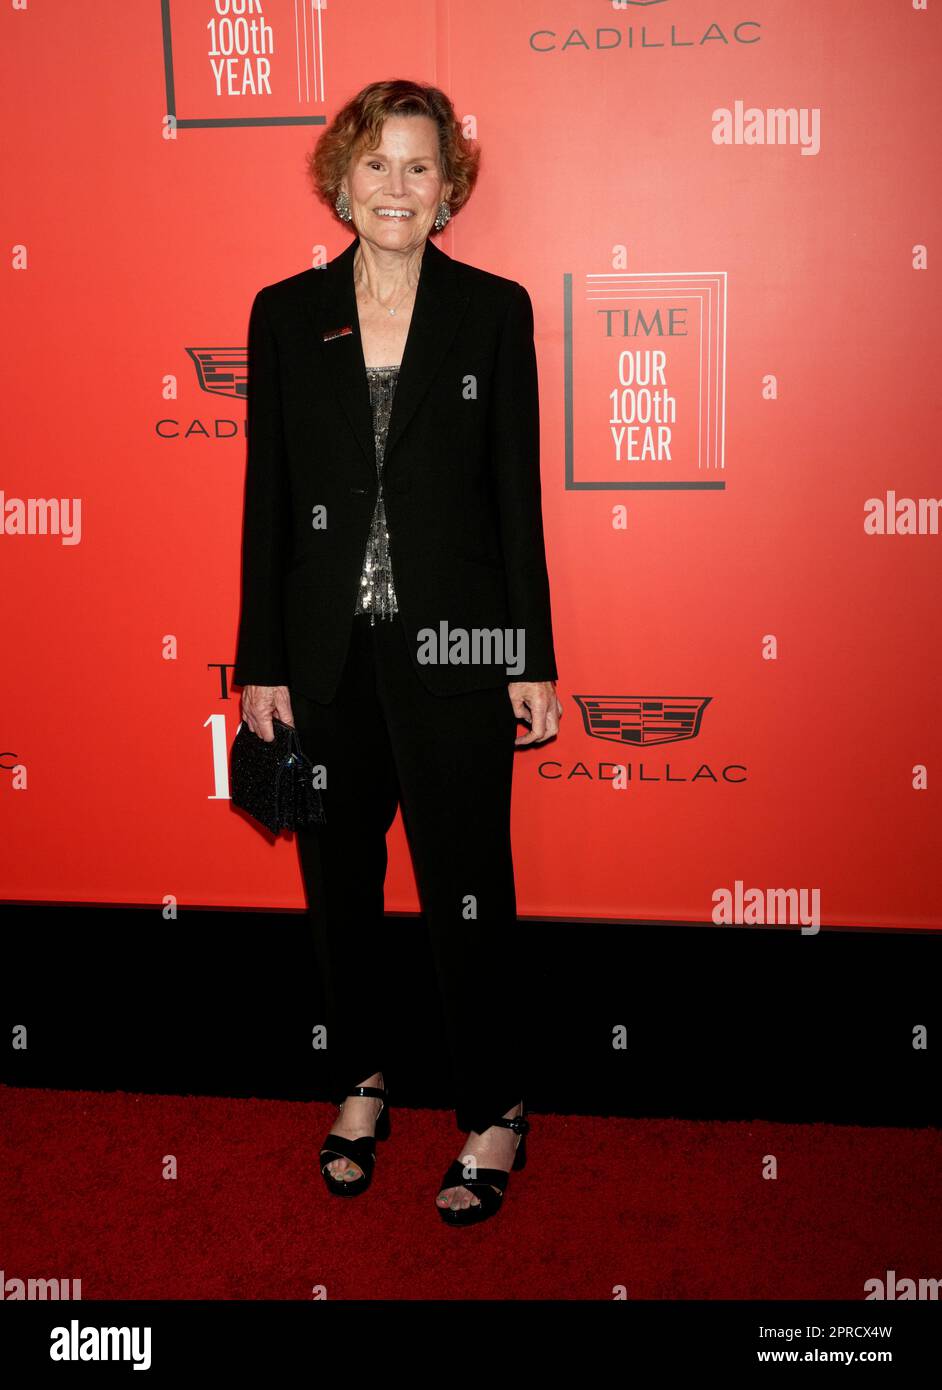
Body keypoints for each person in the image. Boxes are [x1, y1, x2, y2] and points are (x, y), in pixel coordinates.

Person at [234, 79, 561, 1226]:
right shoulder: (285, 314)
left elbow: (513, 499)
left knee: (469, 887)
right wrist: (257, 662)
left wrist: (529, 653)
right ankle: (362, 1084)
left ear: (449, 189)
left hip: (460, 651)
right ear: (341, 179)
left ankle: (494, 1112)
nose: (396, 188)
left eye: (420, 167)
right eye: (377, 164)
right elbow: (266, 502)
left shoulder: (493, 311)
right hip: (324, 657)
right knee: (340, 890)